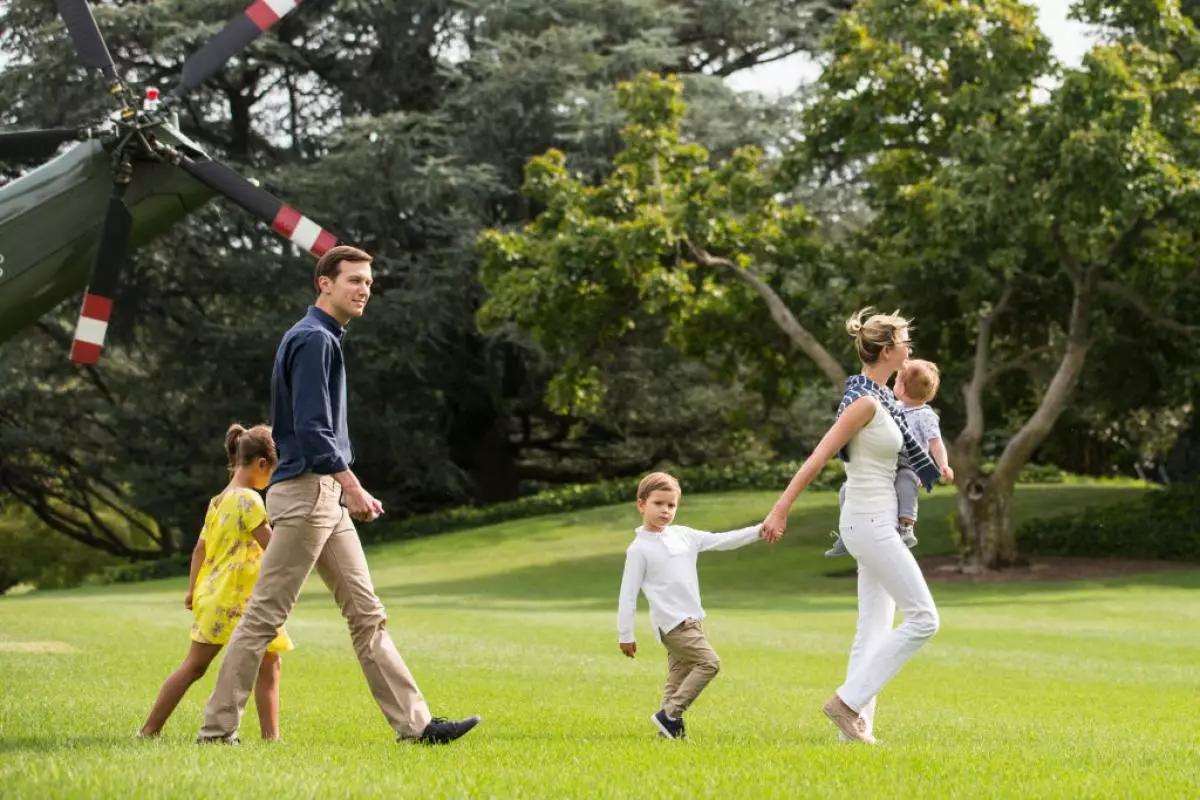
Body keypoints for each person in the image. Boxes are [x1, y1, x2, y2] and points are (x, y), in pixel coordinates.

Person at [197, 245, 479, 745]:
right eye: (354, 280)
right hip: (309, 492)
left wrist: (342, 488)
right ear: (324, 283)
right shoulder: (313, 340)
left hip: (322, 493)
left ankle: (417, 727)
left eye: (368, 282)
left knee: (367, 614)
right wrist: (352, 485)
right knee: (264, 615)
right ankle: (217, 732)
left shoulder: (322, 338)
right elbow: (310, 428)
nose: (364, 289)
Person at [762, 308, 941, 744]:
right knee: (924, 619)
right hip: (869, 522)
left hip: (875, 522)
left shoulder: (886, 402)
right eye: (904, 341)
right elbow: (818, 457)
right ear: (886, 351)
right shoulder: (864, 403)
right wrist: (780, 508)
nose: (910, 348)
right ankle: (846, 703)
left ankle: (854, 734)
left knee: (874, 629)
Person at [140, 423, 292, 739]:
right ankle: (270, 737)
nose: (271, 479)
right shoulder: (250, 500)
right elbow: (272, 546)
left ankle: (150, 731)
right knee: (263, 667)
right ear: (262, 464)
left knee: (206, 666)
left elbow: (199, 549)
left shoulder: (218, 500)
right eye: (273, 471)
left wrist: (192, 590)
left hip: (216, 594)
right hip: (241, 599)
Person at [617, 471, 777, 741]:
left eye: (671, 505)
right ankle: (669, 716)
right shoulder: (638, 550)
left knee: (676, 681)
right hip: (672, 625)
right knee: (709, 663)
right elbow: (627, 596)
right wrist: (626, 635)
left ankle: (666, 735)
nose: (666, 511)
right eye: (658, 504)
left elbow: (723, 540)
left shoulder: (684, 535)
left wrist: (760, 531)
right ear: (641, 504)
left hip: (693, 621)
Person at [825, 357, 953, 557]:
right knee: (846, 490)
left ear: (901, 387)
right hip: (886, 463)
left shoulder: (925, 415)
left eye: (896, 380)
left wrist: (943, 464)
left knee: (907, 482)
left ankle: (906, 525)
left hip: (909, 464)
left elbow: (935, 442)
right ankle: (846, 532)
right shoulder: (891, 405)